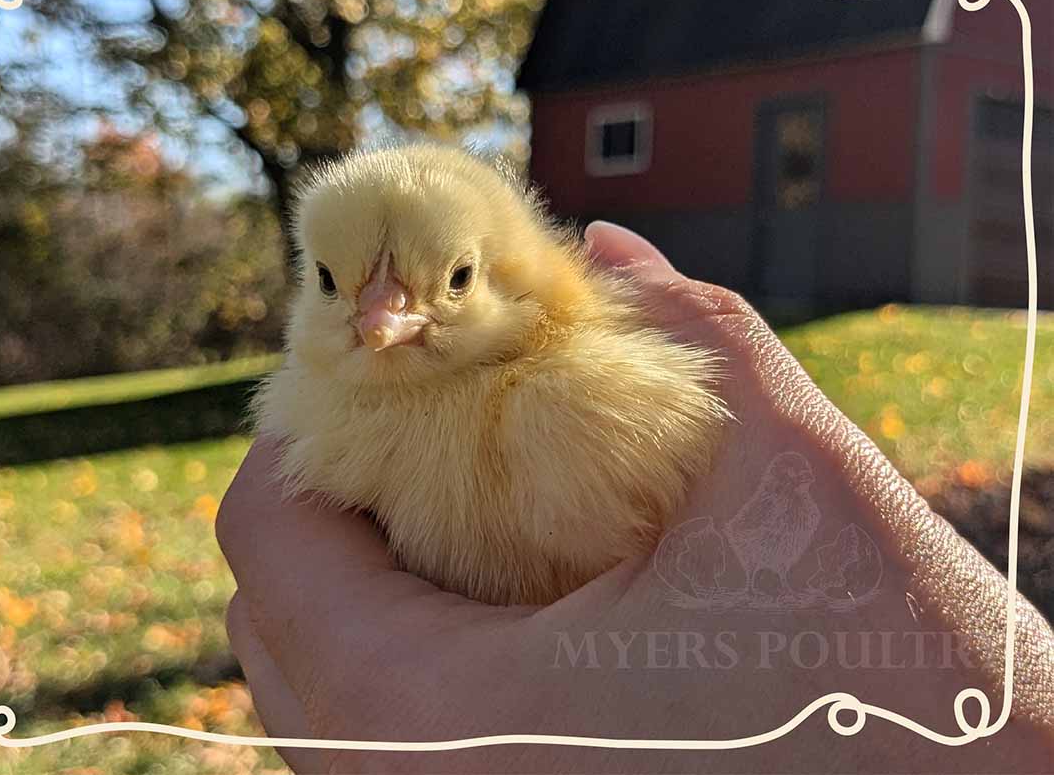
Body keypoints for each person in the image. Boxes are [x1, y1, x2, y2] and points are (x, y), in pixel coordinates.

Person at [216, 221, 1054, 774]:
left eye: (456, 277)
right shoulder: (316, 412)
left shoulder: (574, 395)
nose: (378, 317)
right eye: (336, 284)